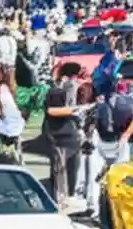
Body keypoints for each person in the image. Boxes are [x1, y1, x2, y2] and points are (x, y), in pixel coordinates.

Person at [43, 63, 85, 210]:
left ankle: (59, 195)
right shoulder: (69, 86)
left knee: (59, 167)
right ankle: (64, 196)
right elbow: (56, 109)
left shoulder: (57, 86)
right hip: (63, 132)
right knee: (67, 166)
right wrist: (77, 110)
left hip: (58, 132)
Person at [94, 82, 133, 167]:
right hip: (100, 142)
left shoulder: (123, 102)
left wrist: (126, 134)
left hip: (119, 142)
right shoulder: (96, 104)